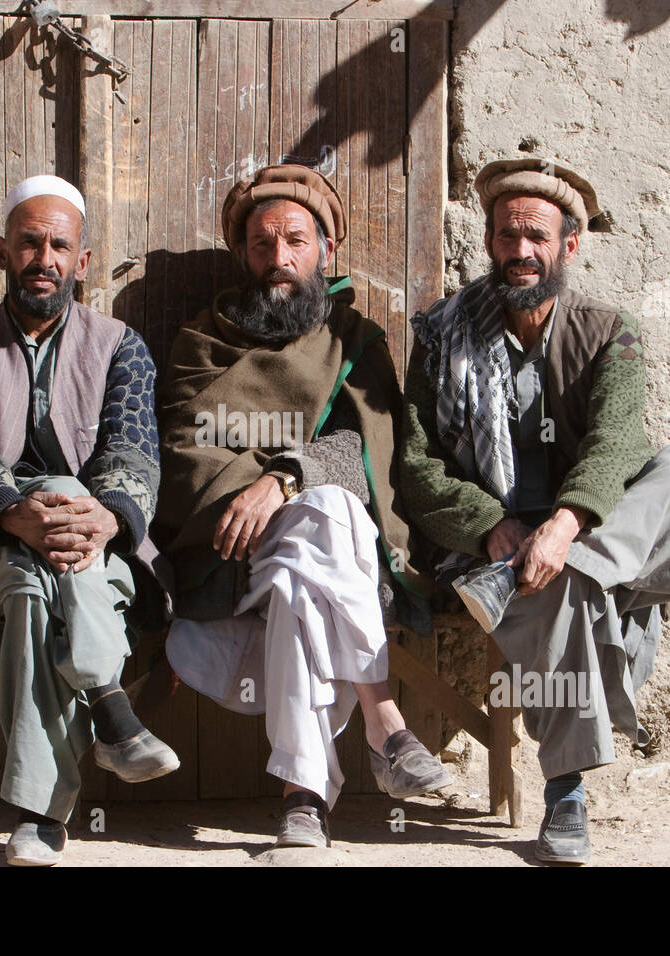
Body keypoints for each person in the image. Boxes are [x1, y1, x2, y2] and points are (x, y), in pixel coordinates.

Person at [400, 157, 670, 864]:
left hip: (586, 532)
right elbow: (416, 466)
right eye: (508, 236)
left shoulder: (609, 332)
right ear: (488, 242)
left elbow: (618, 441)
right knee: (555, 584)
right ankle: (565, 790)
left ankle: (566, 567)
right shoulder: (442, 337)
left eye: (537, 236)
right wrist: (489, 527)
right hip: (496, 546)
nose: (520, 252)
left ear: (570, 245)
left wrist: (565, 528)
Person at [155, 164, 451, 849]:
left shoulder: (353, 341)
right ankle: (386, 726)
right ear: (243, 255)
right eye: (262, 245)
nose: (278, 260)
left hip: (311, 558)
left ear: (326, 249)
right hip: (224, 550)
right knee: (325, 526)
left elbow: (378, 456)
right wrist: (256, 490)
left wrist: (286, 478)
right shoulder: (204, 340)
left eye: (294, 241)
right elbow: (182, 450)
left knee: (313, 546)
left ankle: (303, 799)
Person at [0, 174, 177, 866]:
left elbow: (134, 453)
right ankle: (109, 704)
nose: (44, 258)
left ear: (81, 263)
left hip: (93, 551)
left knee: (32, 586)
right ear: (3, 250)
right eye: (30, 243)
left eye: (60, 246)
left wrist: (103, 519)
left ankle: (38, 818)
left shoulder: (121, 346)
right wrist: (15, 515)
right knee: (36, 524)